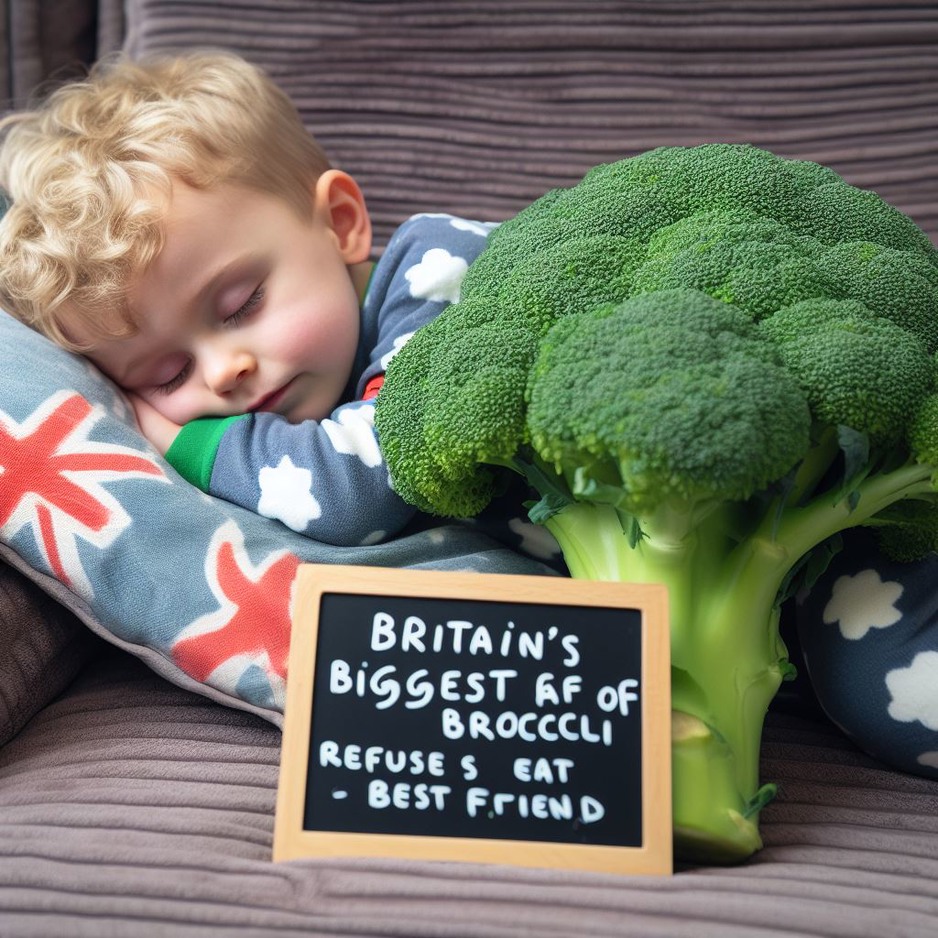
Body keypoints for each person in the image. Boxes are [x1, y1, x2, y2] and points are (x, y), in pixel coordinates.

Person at [0, 50, 560, 564]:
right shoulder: (303, 404)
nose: (223, 371)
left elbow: (357, 496)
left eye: (242, 305)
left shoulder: (439, 269)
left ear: (340, 223)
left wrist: (177, 439)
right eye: (168, 375)